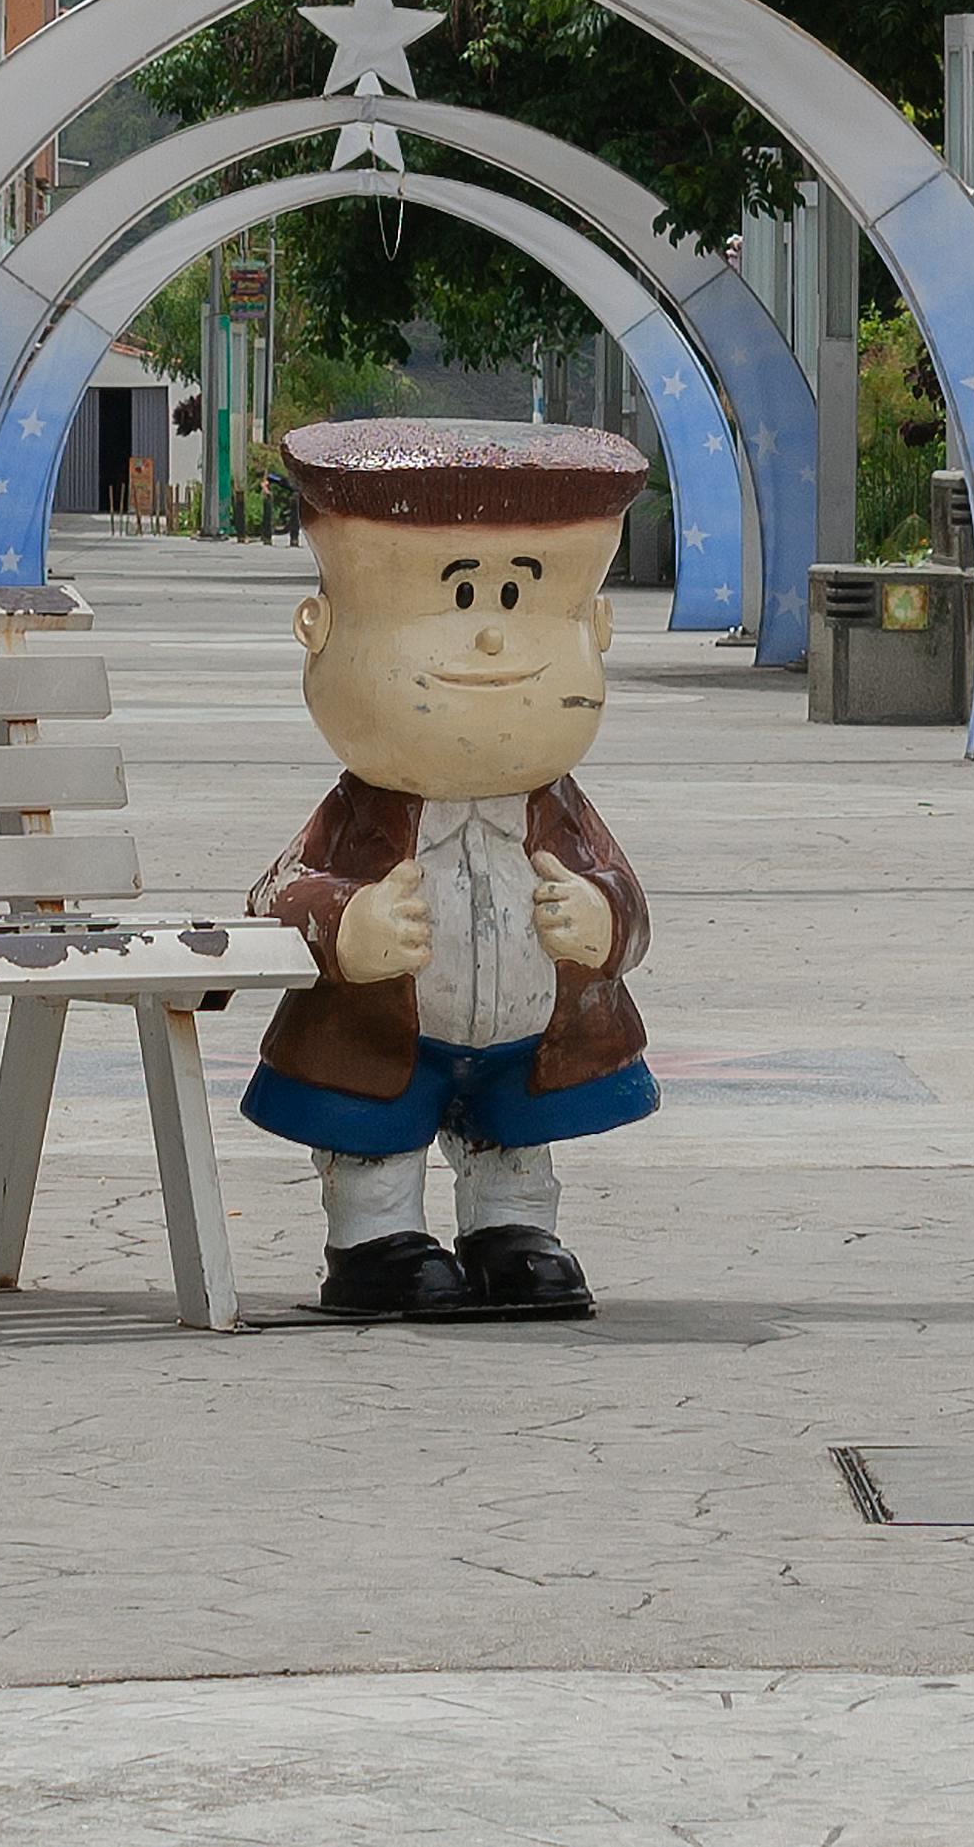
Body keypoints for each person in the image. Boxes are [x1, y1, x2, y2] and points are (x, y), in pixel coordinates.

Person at [241, 417, 654, 1322]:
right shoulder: (361, 811)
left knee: (516, 1144)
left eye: (520, 599)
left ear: (597, 628)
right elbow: (278, 893)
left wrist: (603, 916)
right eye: (458, 599)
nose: (493, 640)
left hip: (528, 1039)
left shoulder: (557, 809)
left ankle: (513, 1230)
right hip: (383, 1035)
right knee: (375, 1146)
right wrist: (345, 923)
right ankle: (376, 1240)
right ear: (320, 630)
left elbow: (623, 890)